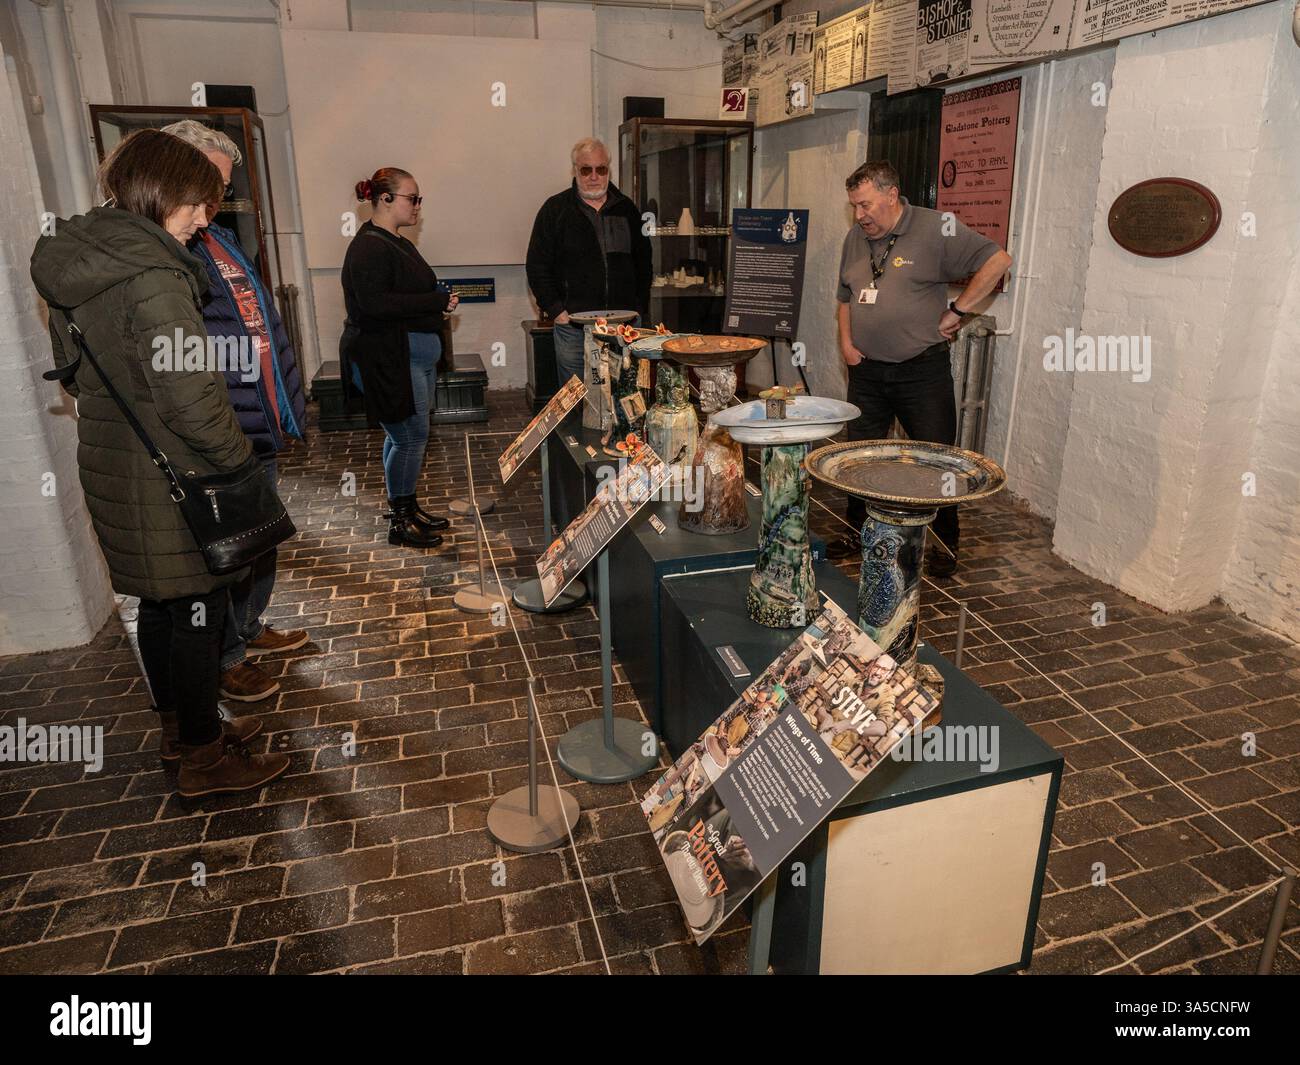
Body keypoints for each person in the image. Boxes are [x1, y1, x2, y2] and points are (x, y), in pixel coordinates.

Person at [30, 129, 290, 796]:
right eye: (198, 204)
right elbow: (191, 399)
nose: (206, 219)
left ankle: (185, 733)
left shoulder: (90, 254)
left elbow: (79, 376)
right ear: (161, 193)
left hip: (117, 460)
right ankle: (205, 759)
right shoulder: (154, 274)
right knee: (197, 613)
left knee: (164, 607)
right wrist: (239, 465)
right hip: (171, 475)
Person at [161, 120, 310, 704]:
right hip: (220, 430)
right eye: (207, 184)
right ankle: (225, 659)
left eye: (221, 188)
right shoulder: (165, 247)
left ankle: (247, 630)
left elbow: (257, 325)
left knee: (258, 542)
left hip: (256, 422)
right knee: (224, 556)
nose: (212, 202)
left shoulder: (217, 238)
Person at [830, 160, 1013, 575]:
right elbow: (845, 296)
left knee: (937, 459)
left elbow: (998, 260)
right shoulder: (855, 238)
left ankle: (945, 546)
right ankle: (854, 532)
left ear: (892, 195)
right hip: (867, 372)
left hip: (920, 372)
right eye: (854, 207)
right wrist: (846, 342)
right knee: (857, 456)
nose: (859, 216)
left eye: (866, 205)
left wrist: (960, 310)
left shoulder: (936, 228)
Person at [341, 167, 457, 548]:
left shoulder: (395, 240)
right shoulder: (369, 246)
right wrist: (435, 302)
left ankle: (407, 506)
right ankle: (400, 521)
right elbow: (375, 305)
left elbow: (405, 297)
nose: (418, 206)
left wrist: (438, 305)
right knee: (408, 437)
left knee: (403, 436)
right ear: (385, 199)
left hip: (412, 355)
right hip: (391, 358)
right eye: (413, 198)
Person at [525, 137, 652, 384]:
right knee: (577, 398)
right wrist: (557, 311)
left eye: (600, 169)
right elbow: (537, 265)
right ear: (575, 171)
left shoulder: (627, 210)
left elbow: (644, 263)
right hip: (573, 328)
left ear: (608, 170)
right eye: (586, 169)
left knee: (622, 397)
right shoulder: (554, 210)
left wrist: (638, 308)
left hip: (621, 327)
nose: (594, 176)